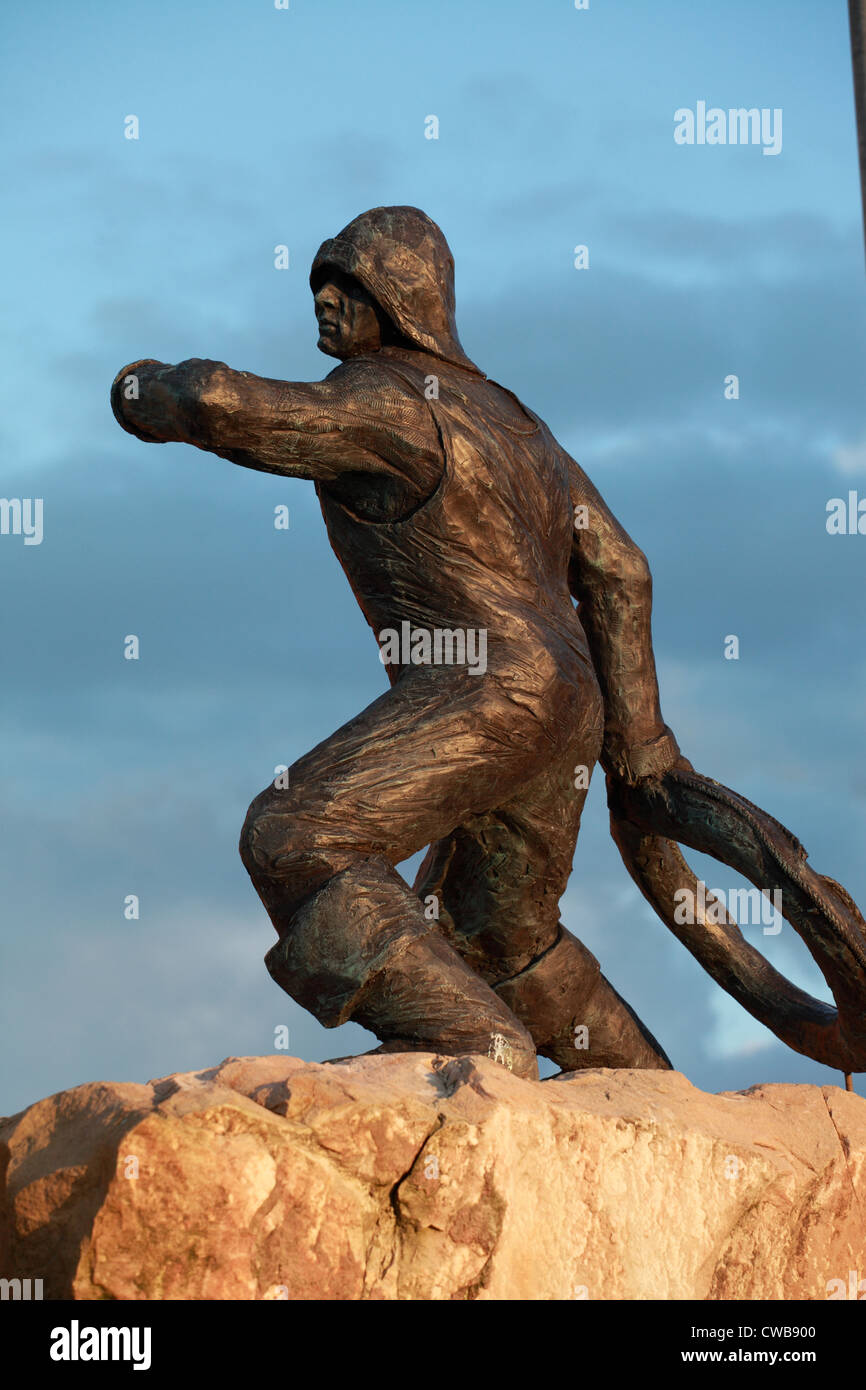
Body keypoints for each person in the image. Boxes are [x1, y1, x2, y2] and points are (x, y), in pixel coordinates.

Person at [111, 204, 686, 1081]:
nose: (327, 301)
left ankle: (476, 1049)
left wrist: (146, 390)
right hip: (567, 706)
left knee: (293, 835)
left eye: (351, 284)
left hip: (484, 688)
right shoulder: (521, 426)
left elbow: (227, 405)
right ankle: (655, 1096)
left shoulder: (385, 398)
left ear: (403, 300)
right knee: (502, 938)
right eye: (321, 282)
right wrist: (639, 749)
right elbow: (622, 572)